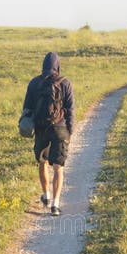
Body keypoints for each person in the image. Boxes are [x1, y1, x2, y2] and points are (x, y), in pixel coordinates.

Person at [22, 51, 75, 216]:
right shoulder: (65, 83)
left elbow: (26, 108)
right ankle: (55, 205)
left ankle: (46, 196)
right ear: (57, 66)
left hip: (41, 129)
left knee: (42, 162)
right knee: (58, 167)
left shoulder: (34, 83)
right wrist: (70, 131)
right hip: (60, 129)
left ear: (43, 66)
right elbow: (70, 109)